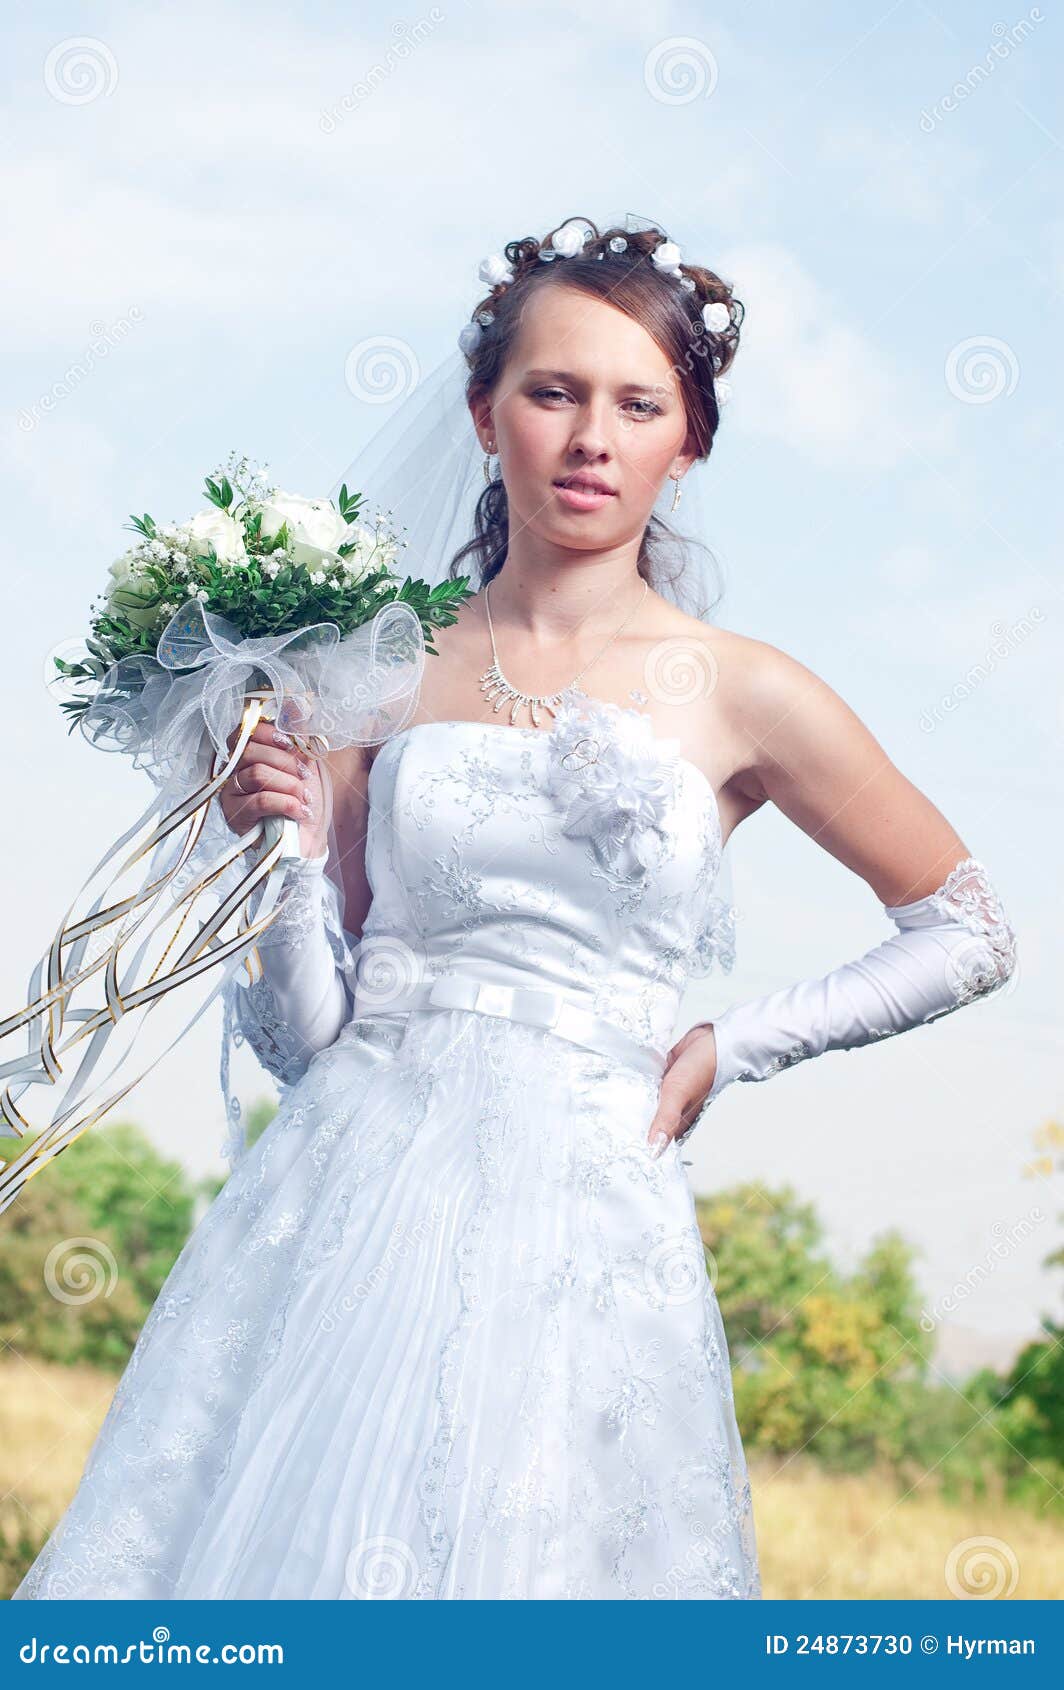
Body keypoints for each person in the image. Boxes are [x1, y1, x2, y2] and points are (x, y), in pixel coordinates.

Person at [13, 218, 1017, 1601]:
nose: (592, 438)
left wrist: (734, 1045)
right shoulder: (373, 665)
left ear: (689, 442)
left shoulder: (751, 691)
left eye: (638, 405)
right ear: (488, 416)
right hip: (349, 1195)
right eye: (554, 392)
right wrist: (282, 851)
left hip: (588, 1220)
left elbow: (971, 931)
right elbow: (308, 1036)